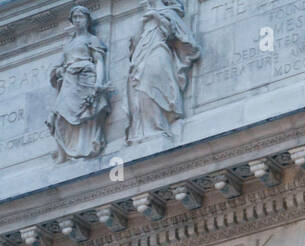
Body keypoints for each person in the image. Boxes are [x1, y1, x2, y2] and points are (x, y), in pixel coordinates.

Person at [125, 0, 201, 145]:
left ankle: (159, 126)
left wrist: (156, 16)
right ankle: (147, 131)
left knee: (150, 85)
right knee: (140, 90)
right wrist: (143, 21)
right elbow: (133, 43)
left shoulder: (168, 12)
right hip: (142, 54)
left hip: (159, 50)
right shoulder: (146, 16)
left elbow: (172, 33)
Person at [47, 5, 110, 161]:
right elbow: (55, 67)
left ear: (87, 20)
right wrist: (58, 71)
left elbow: (99, 62)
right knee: (61, 115)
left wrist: (99, 83)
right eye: (74, 17)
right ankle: (65, 150)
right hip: (69, 82)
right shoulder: (68, 45)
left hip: (86, 78)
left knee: (86, 113)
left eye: (80, 17)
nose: (77, 20)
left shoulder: (92, 40)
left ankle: (84, 146)